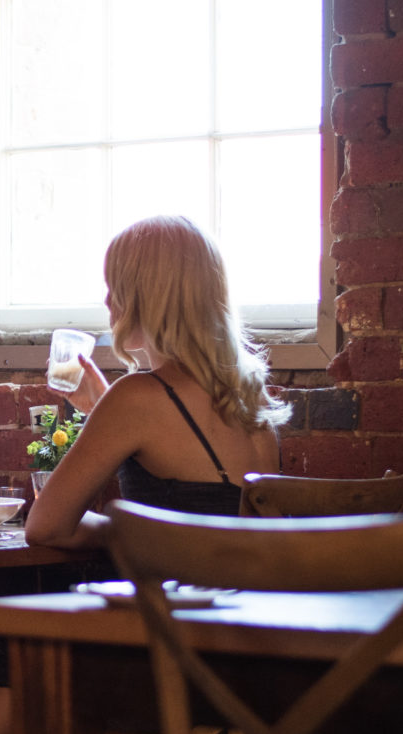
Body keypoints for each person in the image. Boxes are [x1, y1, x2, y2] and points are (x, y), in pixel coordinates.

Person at [25, 215, 286, 549]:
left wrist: (133, 528)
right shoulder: (250, 392)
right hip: (262, 595)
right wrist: (101, 408)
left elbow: (45, 527)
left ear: (147, 297)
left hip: (182, 599)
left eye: (115, 287)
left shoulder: (136, 397)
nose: (107, 301)